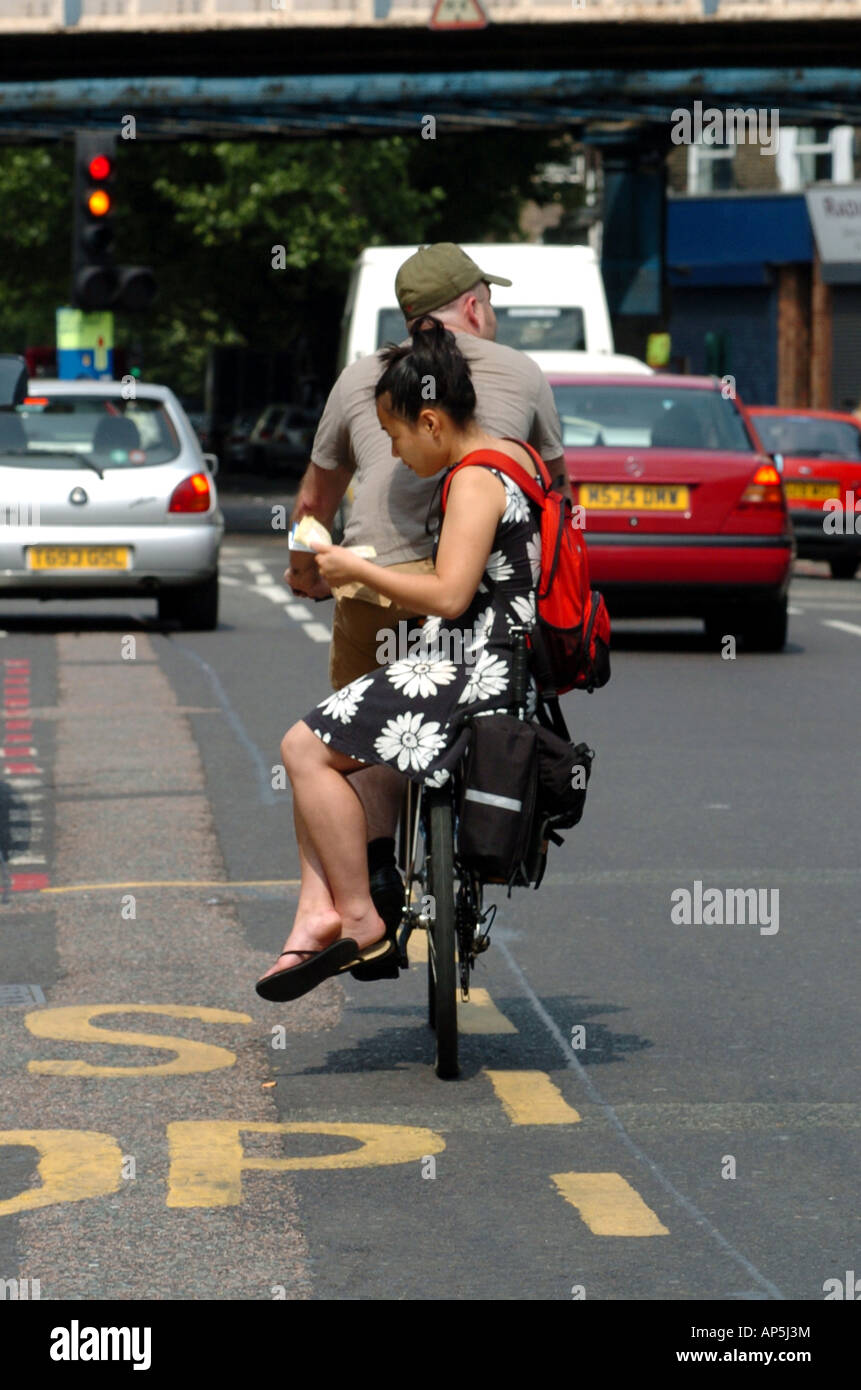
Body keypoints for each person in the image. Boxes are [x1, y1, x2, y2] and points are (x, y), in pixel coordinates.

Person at [284, 243, 564, 979]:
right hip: (498, 655)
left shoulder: (471, 480)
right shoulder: (518, 448)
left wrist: (338, 564)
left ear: (433, 420)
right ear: (472, 307)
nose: (397, 453)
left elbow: (445, 591)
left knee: (308, 748)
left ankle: (355, 911)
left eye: (399, 435)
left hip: (466, 665)